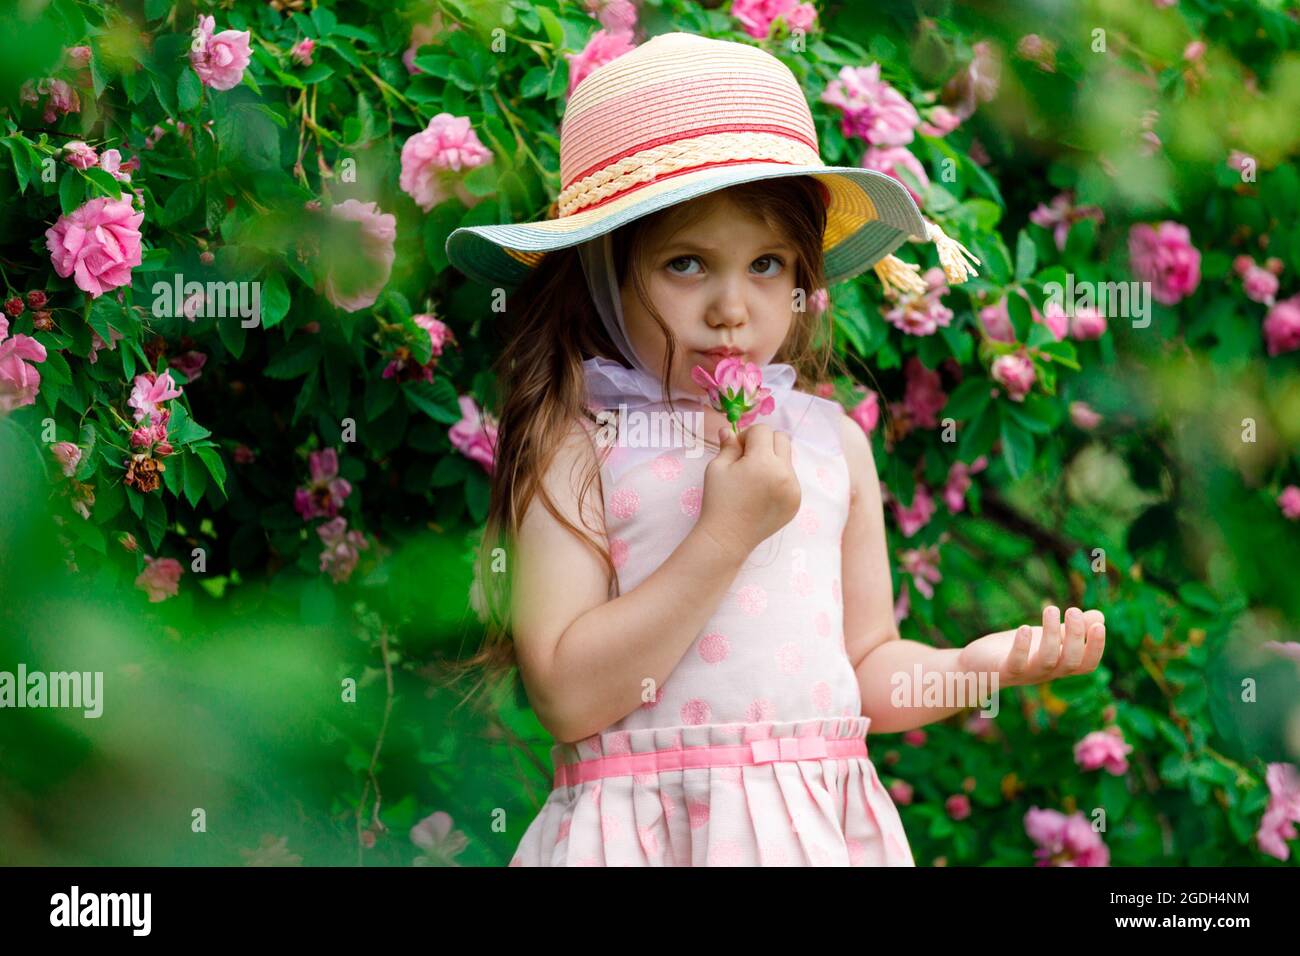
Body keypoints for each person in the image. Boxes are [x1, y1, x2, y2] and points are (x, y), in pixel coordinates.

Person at [445, 32, 1107, 866]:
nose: (732, 307)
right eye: (686, 264)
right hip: (644, 838)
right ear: (604, 274)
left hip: (809, 834)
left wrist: (976, 667)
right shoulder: (579, 446)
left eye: (766, 264)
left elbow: (865, 669)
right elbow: (567, 695)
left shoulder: (832, 444)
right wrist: (725, 534)